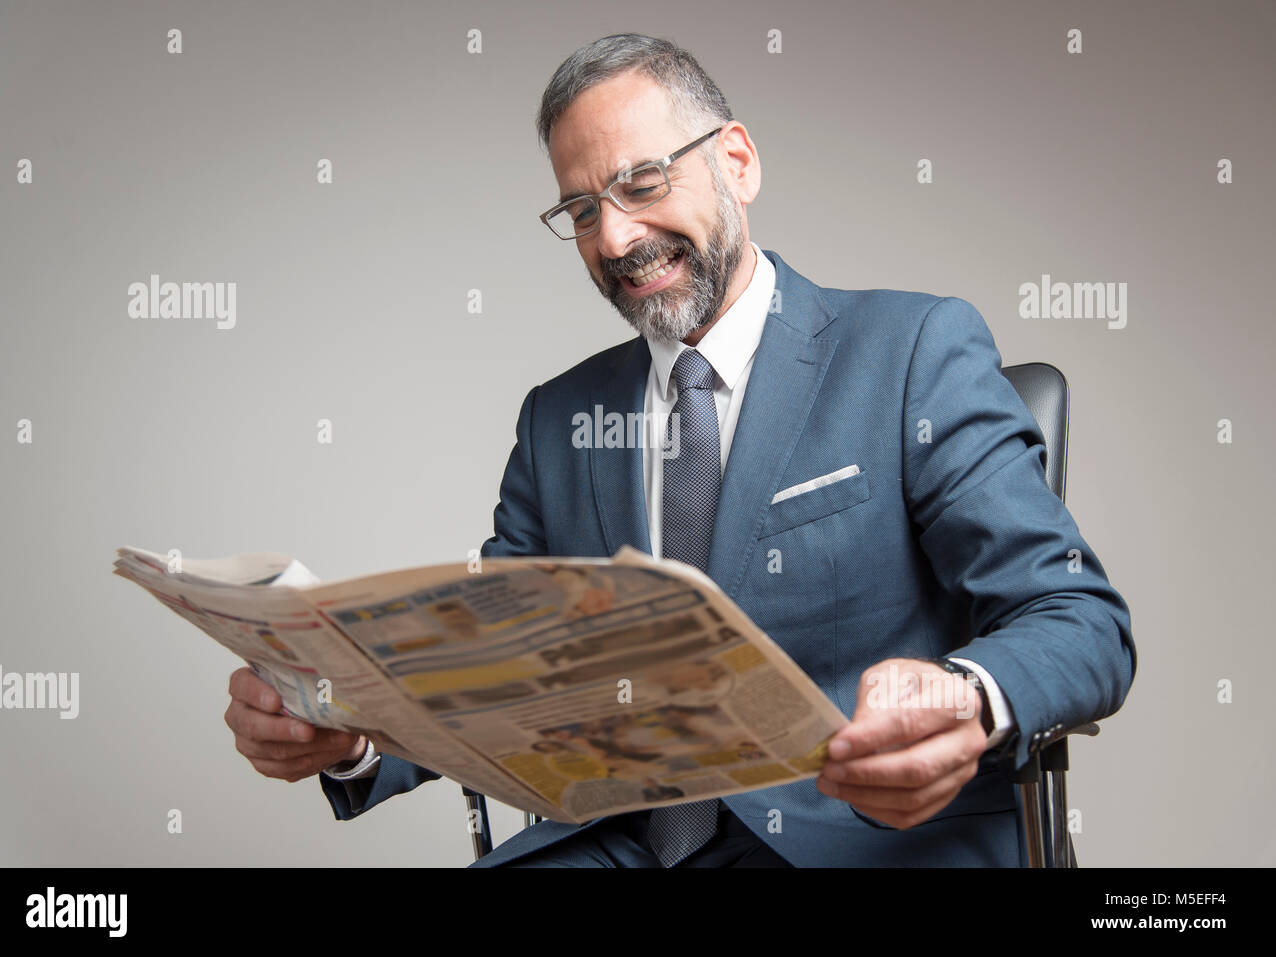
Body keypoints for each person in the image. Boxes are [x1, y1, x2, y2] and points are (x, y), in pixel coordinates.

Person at [223, 33, 1135, 867]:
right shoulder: (558, 419)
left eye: (643, 182)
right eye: (581, 209)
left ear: (736, 161)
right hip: (618, 844)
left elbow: (1080, 618)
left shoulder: (910, 351)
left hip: (852, 841)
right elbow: (490, 681)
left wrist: (968, 697)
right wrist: (348, 733)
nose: (615, 237)